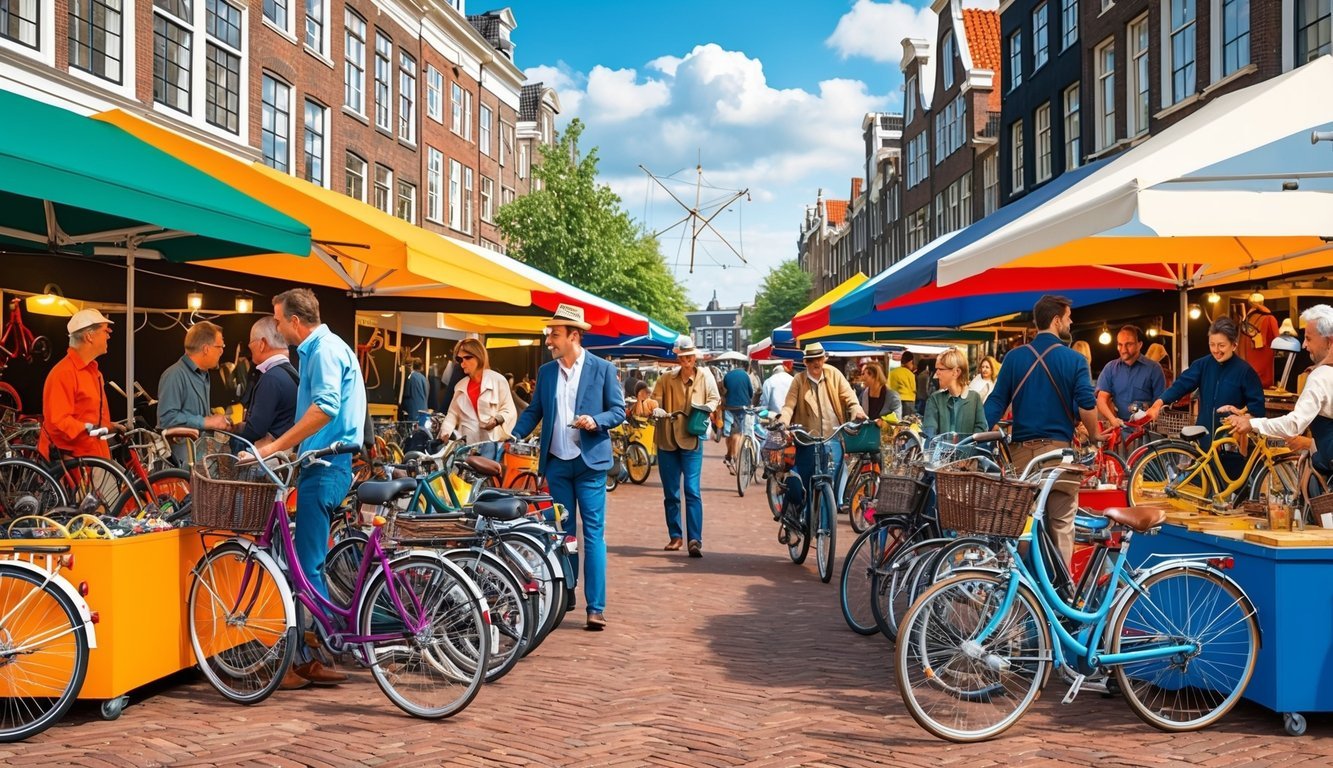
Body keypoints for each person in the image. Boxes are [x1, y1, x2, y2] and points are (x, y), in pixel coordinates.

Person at [252, 288, 366, 688]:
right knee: (312, 560)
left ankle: (330, 642)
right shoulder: (326, 348)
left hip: (325, 466)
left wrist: (277, 445)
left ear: (296, 321)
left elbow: (327, 407)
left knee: (307, 565)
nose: (278, 327)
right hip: (326, 463)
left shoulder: (323, 350)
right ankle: (317, 649)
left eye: (279, 320)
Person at [511, 304, 625, 631]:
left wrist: (596, 420)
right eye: (549, 335)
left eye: (554, 335)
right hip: (557, 464)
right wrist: (515, 433)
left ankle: (596, 608)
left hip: (589, 465)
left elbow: (618, 411)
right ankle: (567, 592)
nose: (549, 341)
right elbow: (535, 411)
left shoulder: (602, 369)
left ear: (573, 336)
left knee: (593, 534)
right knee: (562, 534)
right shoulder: (547, 372)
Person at [984, 295, 1101, 567]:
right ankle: (1060, 597)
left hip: (1024, 460)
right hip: (1061, 459)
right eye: (1069, 317)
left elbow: (996, 402)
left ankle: (1022, 589)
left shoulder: (1014, 357)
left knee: (1022, 528)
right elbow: (1086, 404)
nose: (1071, 322)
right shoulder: (1075, 360)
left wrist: (979, 435)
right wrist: (1094, 435)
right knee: (1061, 526)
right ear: (1057, 320)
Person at [1224, 305, 1333, 480]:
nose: (1304, 345)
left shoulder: (1321, 376)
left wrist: (1253, 424)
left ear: (1328, 341)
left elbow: (1293, 425)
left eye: (1308, 338)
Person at [779, 342, 867, 522]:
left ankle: (825, 530)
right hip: (807, 440)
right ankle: (800, 516)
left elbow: (850, 398)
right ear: (805, 362)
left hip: (833, 438)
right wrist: (783, 422)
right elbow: (789, 406)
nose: (816, 363)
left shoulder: (834, 374)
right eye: (811, 360)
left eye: (819, 358)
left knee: (829, 485)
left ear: (824, 358)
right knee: (805, 484)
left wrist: (856, 410)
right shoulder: (799, 380)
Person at [1145, 317, 1264, 449]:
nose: (1216, 350)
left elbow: (1257, 407)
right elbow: (1181, 385)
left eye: (1221, 345)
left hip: (1231, 440)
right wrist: (1159, 402)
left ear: (1234, 345)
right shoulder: (1202, 365)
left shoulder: (1245, 371)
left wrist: (1246, 418)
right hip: (1204, 437)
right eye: (1212, 344)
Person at [651, 337, 720, 557]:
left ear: (695, 357)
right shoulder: (666, 378)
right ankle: (675, 536)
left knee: (692, 489)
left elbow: (715, 398)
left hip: (691, 437)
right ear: (678, 358)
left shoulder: (705, 377)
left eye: (690, 356)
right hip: (667, 439)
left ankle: (695, 540)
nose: (687, 360)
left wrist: (705, 408)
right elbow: (655, 399)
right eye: (683, 356)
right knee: (671, 492)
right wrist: (656, 408)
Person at [38, 309, 118, 461]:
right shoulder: (64, 373)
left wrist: (109, 426)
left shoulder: (93, 371)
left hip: (94, 455)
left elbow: (88, 415)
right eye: (105, 331)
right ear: (89, 336)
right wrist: (91, 429)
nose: (108, 336)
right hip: (76, 461)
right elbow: (58, 422)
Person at [157, 320, 231, 465]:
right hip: (183, 464)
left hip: (200, 459)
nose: (222, 350)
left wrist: (214, 420)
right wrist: (206, 421)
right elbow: (166, 417)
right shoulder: (174, 375)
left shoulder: (203, 374)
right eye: (220, 346)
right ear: (206, 349)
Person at [440, 338, 517, 456]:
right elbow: (452, 414)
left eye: (467, 358)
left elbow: (509, 410)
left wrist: (497, 419)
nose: (462, 363)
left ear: (479, 356)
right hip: (467, 446)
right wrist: (445, 432)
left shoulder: (498, 381)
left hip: (492, 444)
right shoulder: (460, 386)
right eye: (460, 359)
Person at [233, 317, 298, 449]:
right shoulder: (291, 373)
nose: (250, 348)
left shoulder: (271, 378)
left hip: (268, 460)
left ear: (262, 344)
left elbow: (256, 430)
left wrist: (234, 430)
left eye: (251, 343)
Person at [1095, 325, 1166, 430]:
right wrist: (1112, 420)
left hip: (1145, 431)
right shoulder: (1110, 368)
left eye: (1128, 344)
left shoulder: (1154, 369)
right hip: (1118, 429)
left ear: (1139, 345)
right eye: (1120, 344)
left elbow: (1160, 402)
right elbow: (1101, 399)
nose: (1123, 349)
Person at [923, 348, 988, 440]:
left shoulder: (974, 398)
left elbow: (981, 430)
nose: (936, 374)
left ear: (956, 372)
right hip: (941, 453)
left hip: (969, 454)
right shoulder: (935, 399)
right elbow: (929, 432)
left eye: (940, 369)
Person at [1238, 293, 1280, 387]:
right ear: (1262, 302)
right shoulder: (1269, 318)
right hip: (1264, 359)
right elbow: (1277, 339)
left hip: (1246, 362)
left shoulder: (1246, 321)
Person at [721, 362, 755, 473]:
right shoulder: (746, 376)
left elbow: (723, 390)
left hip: (729, 407)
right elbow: (751, 392)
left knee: (730, 432)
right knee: (738, 434)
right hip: (742, 406)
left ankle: (728, 455)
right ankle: (733, 458)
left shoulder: (727, 375)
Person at [401, 357, 428, 426]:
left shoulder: (411, 376)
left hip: (414, 409)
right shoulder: (424, 378)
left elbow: (407, 393)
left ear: (412, 365)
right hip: (424, 409)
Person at [889, 351, 918, 417]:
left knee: (896, 421)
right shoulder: (910, 374)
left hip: (894, 399)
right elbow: (913, 389)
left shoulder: (893, 373)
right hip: (909, 401)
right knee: (907, 422)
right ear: (910, 361)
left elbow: (889, 387)